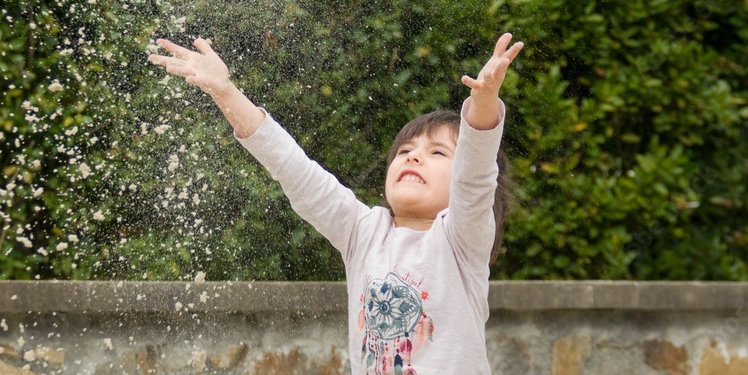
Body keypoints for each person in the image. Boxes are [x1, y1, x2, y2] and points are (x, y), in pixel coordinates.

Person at [148, 33, 523, 374]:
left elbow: (475, 178)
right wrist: (225, 91)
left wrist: (484, 104)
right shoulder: (363, 231)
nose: (413, 157)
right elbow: (293, 169)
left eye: (437, 152)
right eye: (405, 150)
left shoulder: (462, 240)